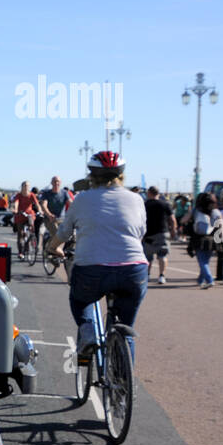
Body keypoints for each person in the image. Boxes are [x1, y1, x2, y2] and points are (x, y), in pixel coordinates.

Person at [46, 151, 147, 360]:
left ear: (92, 175)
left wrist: (53, 247)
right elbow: (140, 232)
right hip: (133, 268)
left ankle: (89, 333)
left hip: (93, 268)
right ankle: (122, 384)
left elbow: (64, 233)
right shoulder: (136, 199)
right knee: (126, 329)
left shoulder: (83, 199)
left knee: (80, 300)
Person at [142, 186, 178, 284]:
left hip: (148, 234)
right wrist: (173, 230)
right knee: (162, 255)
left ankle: (147, 275)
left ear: (149, 193)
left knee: (147, 257)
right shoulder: (165, 204)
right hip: (163, 232)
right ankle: (162, 275)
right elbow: (172, 219)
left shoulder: (144, 205)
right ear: (158, 193)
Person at [185, 192, 220, 288]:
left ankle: (209, 279)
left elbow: (183, 220)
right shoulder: (216, 212)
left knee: (202, 261)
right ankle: (200, 280)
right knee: (206, 261)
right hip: (212, 238)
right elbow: (221, 224)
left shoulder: (196, 210)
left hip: (198, 238)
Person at [37, 175, 74, 246]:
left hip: (62, 219)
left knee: (69, 235)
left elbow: (71, 204)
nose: (56, 183)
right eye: (54, 181)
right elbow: (44, 205)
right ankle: (51, 249)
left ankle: (59, 250)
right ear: (51, 183)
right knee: (58, 233)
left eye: (58, 182)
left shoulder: (64, 193)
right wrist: (49, 215)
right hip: (49, 219)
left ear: (60, 183)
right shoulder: (46, 193)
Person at [11, 181, 41, 252]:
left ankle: (31, 239)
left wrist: (40, 210)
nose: (26, 187)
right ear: (22, 187)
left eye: (27, 186)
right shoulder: (19, 195)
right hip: (21, 214)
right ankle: (20, 252)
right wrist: (15, 209)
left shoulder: (31, 195)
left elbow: (37, 204)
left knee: (32, 226)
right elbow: (16, 202)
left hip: (29, 214)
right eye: (25, 186)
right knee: (20, 234)